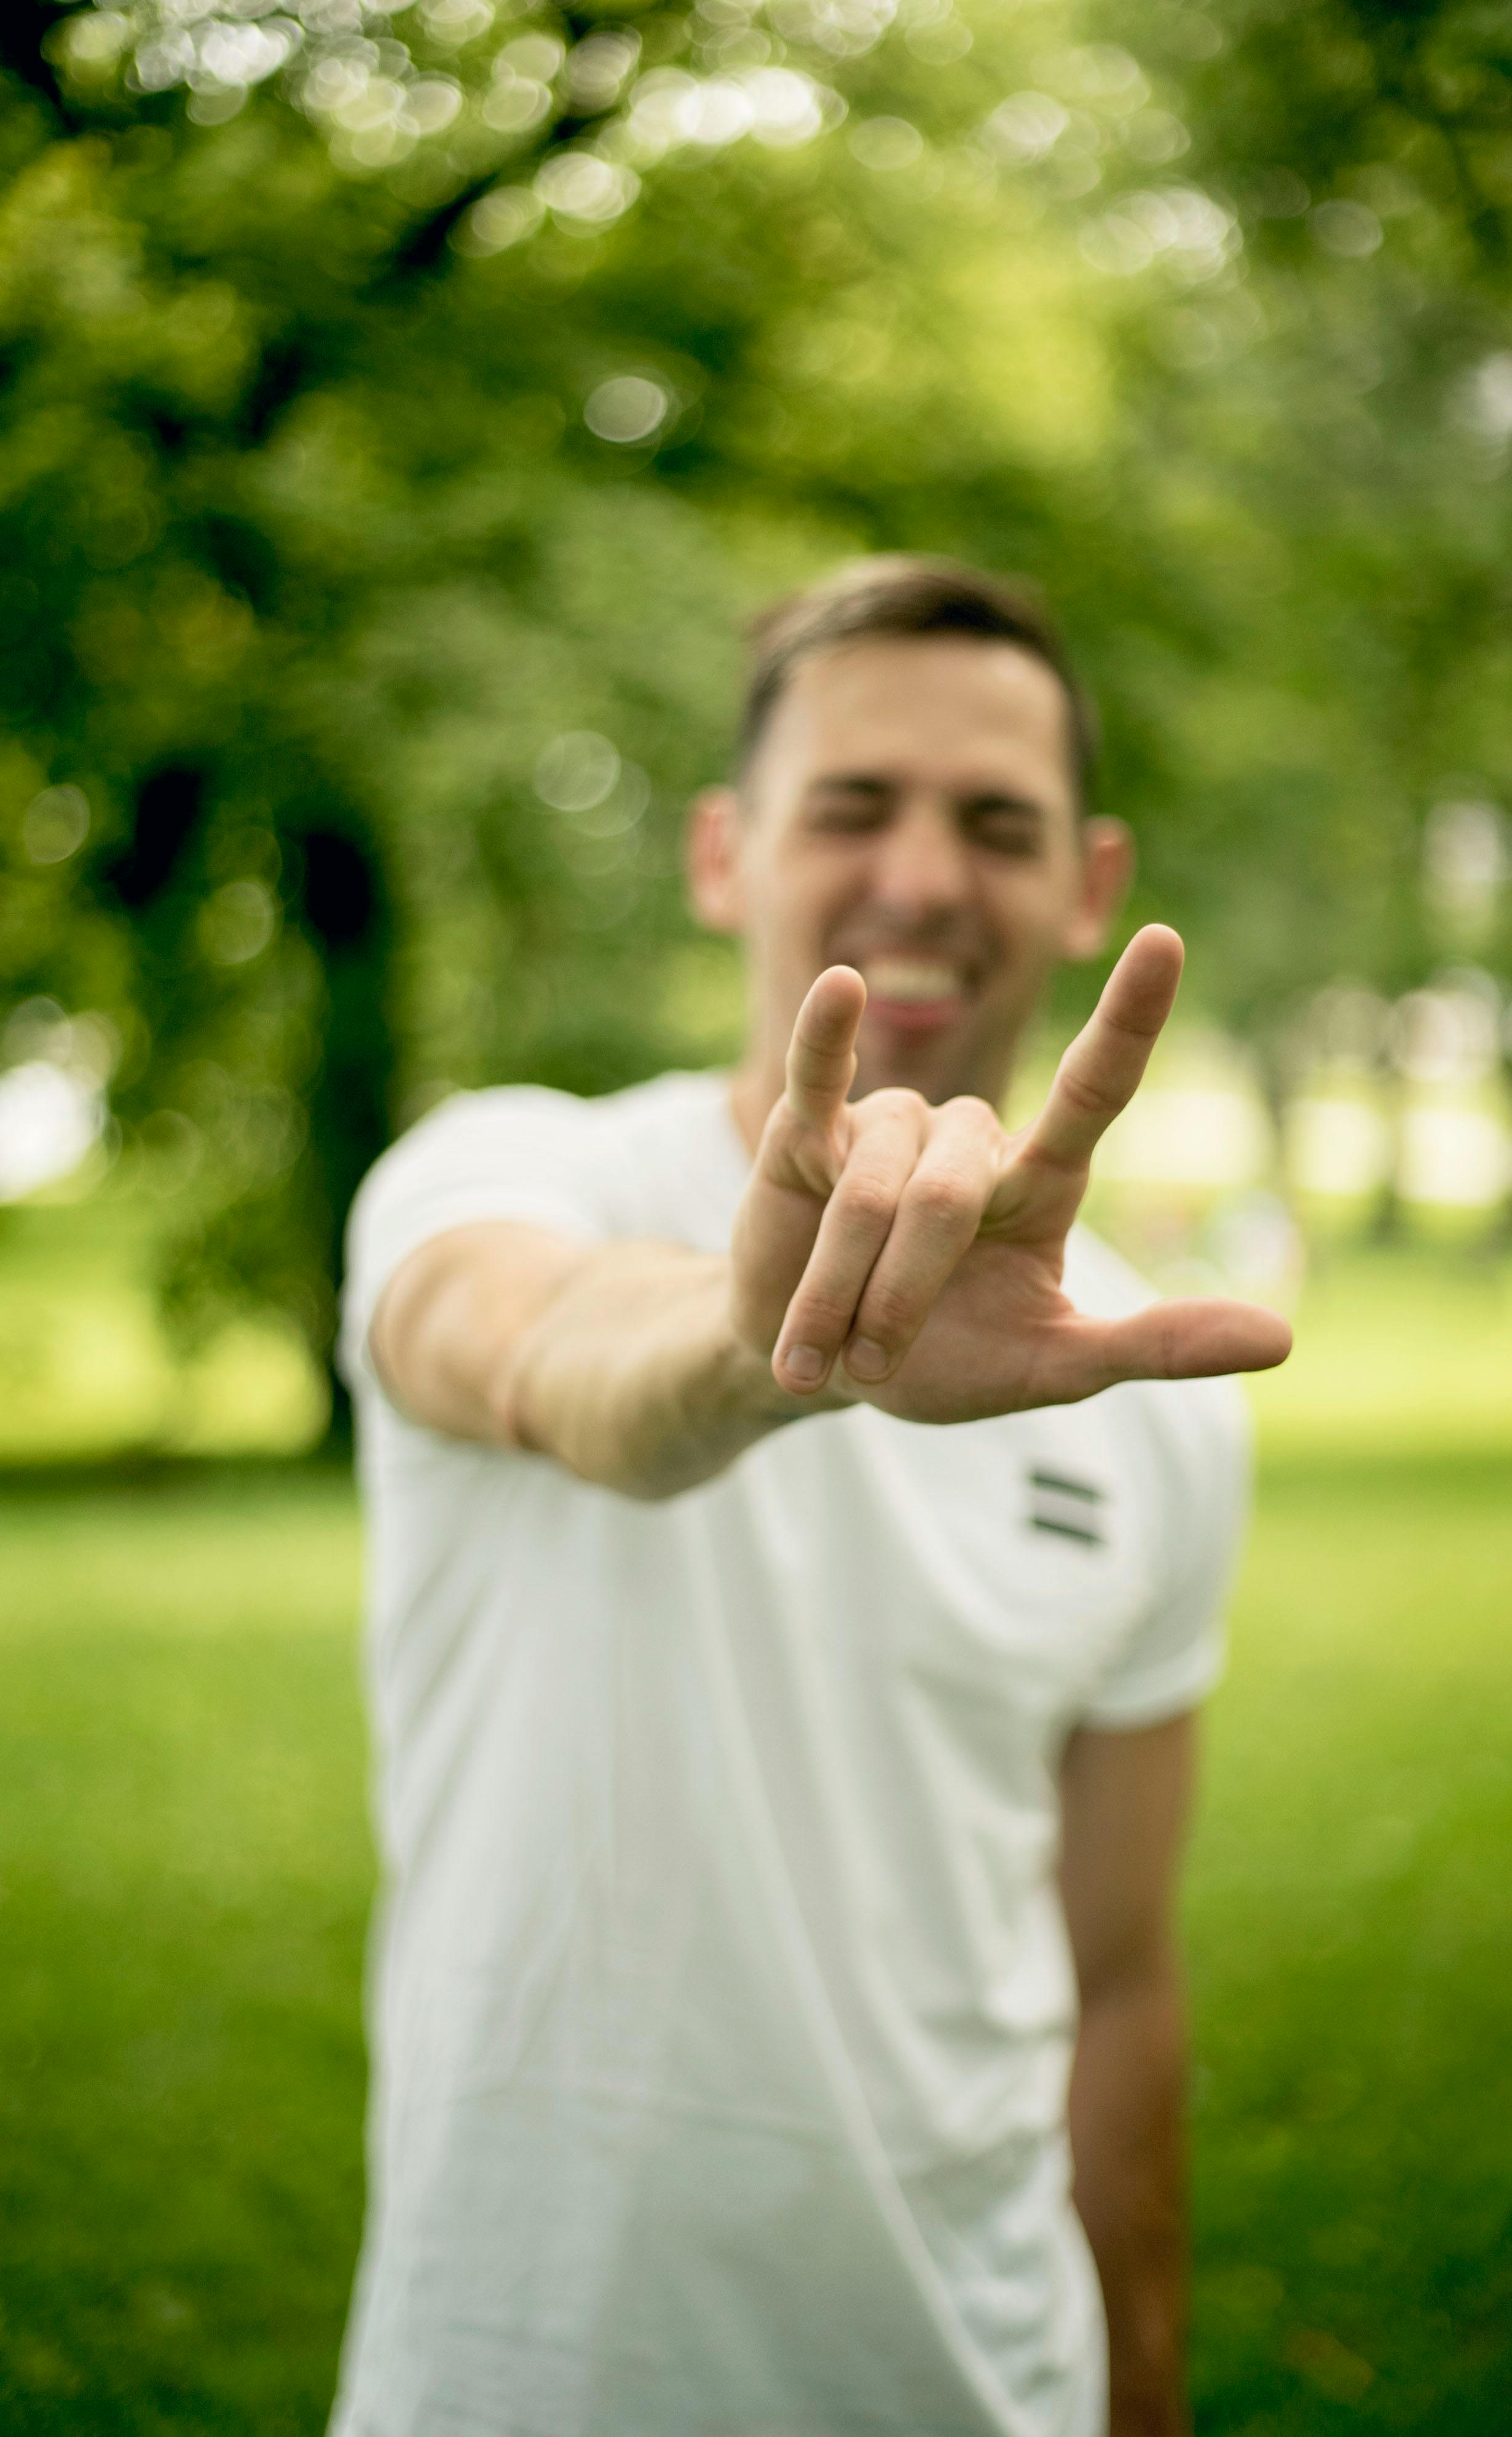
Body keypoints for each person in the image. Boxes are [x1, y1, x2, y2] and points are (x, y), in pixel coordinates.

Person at [331, 556, 1291, 2437]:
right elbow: (548, 1358)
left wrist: (1143, 2382)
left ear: (1088, 884)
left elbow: (1114, 1978)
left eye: (995, 823)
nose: (924, 876)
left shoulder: (1154, 1391)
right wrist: (759, 1338)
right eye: (852, 807)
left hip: (978, 2382)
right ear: (723, 852)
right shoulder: (501, 1174)